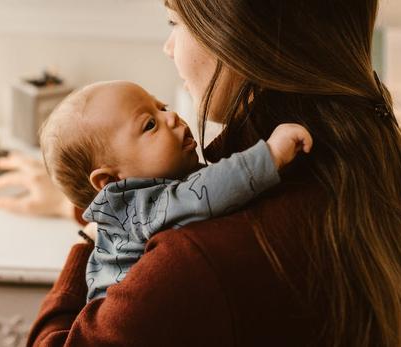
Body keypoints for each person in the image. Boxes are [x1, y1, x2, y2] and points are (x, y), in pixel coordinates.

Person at [0, 0, 401, 345]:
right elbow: (196, 192)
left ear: (239, 35)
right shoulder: (383, 170)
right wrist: (101, 208)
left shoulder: (188, 264)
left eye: (175, 23)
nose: (169, 48)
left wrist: (88, 240)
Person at [38, 80, 313, 302]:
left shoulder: (159, 193)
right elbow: (205, 192)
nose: (171, 117)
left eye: (163, 107)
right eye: (149, 124)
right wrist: (270, 154)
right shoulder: (139, 204)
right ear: (111, 182)